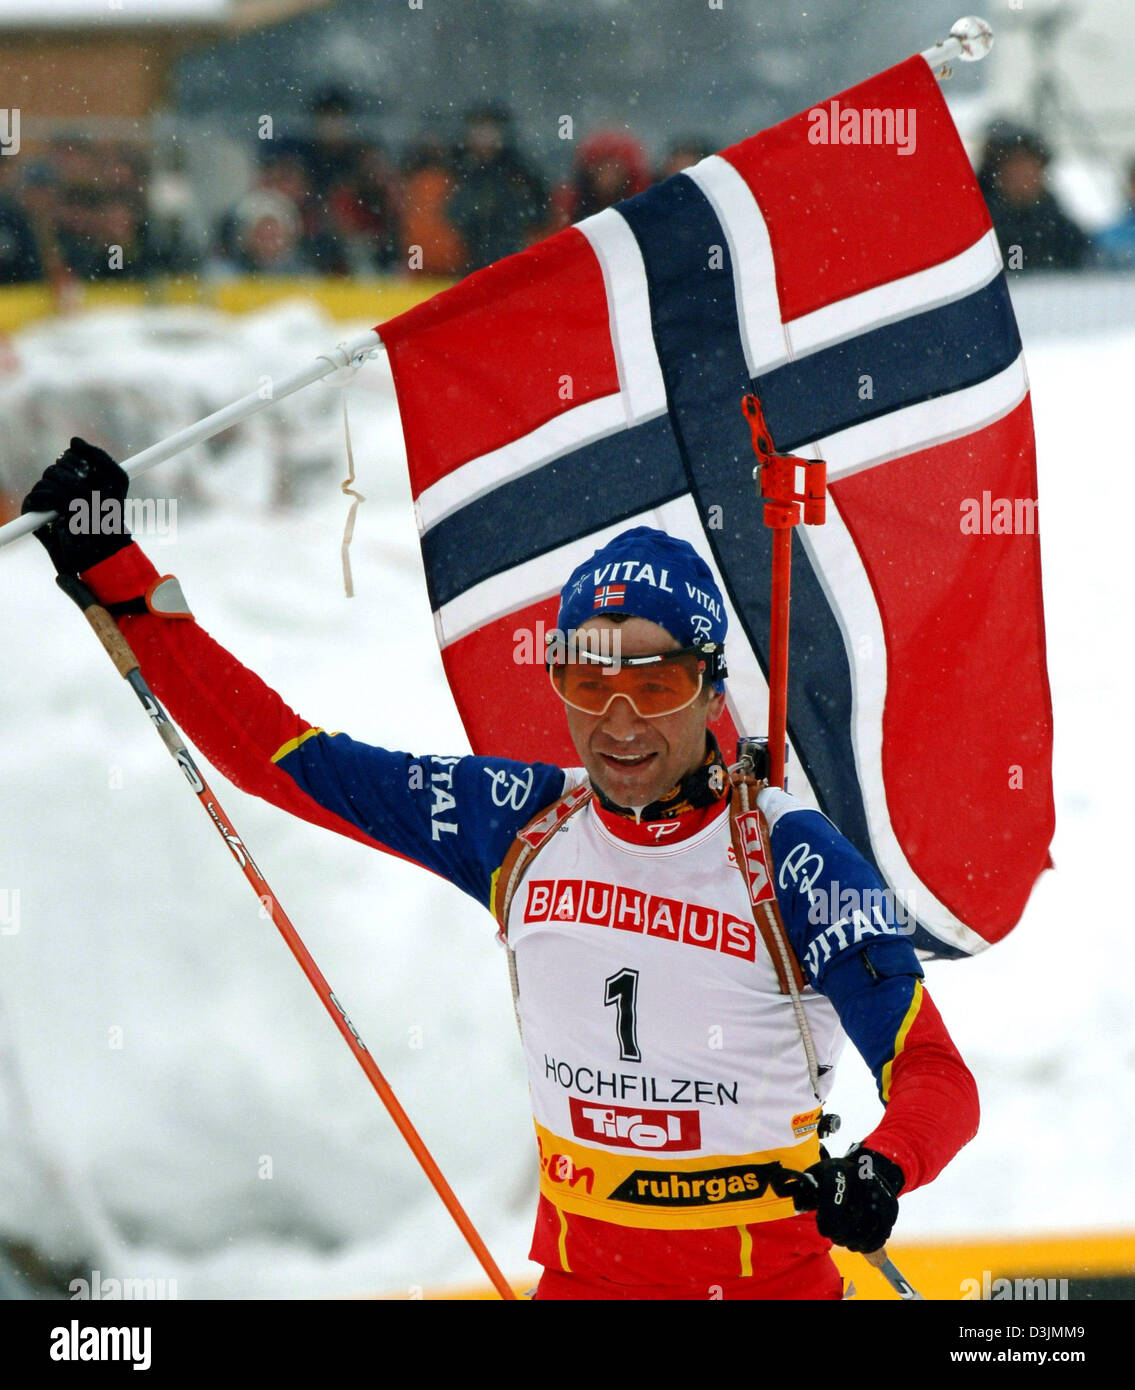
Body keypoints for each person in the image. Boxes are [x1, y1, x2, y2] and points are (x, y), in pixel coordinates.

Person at [22, 441, 980, 1302]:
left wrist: (881, 1169)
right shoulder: (519, 820)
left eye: (655, 684)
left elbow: (936, 1076)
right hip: (579, 1279)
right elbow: (284, 757)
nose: (618, 720)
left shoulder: (791, 857)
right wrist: (117, 567)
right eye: (585, 680)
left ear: (710, 691)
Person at [976, 119, 1090, 272]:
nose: (1024, 176)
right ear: (998, 174)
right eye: (1014, 166)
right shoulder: (982, 229)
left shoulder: (1059, 225)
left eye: (1030, 166)